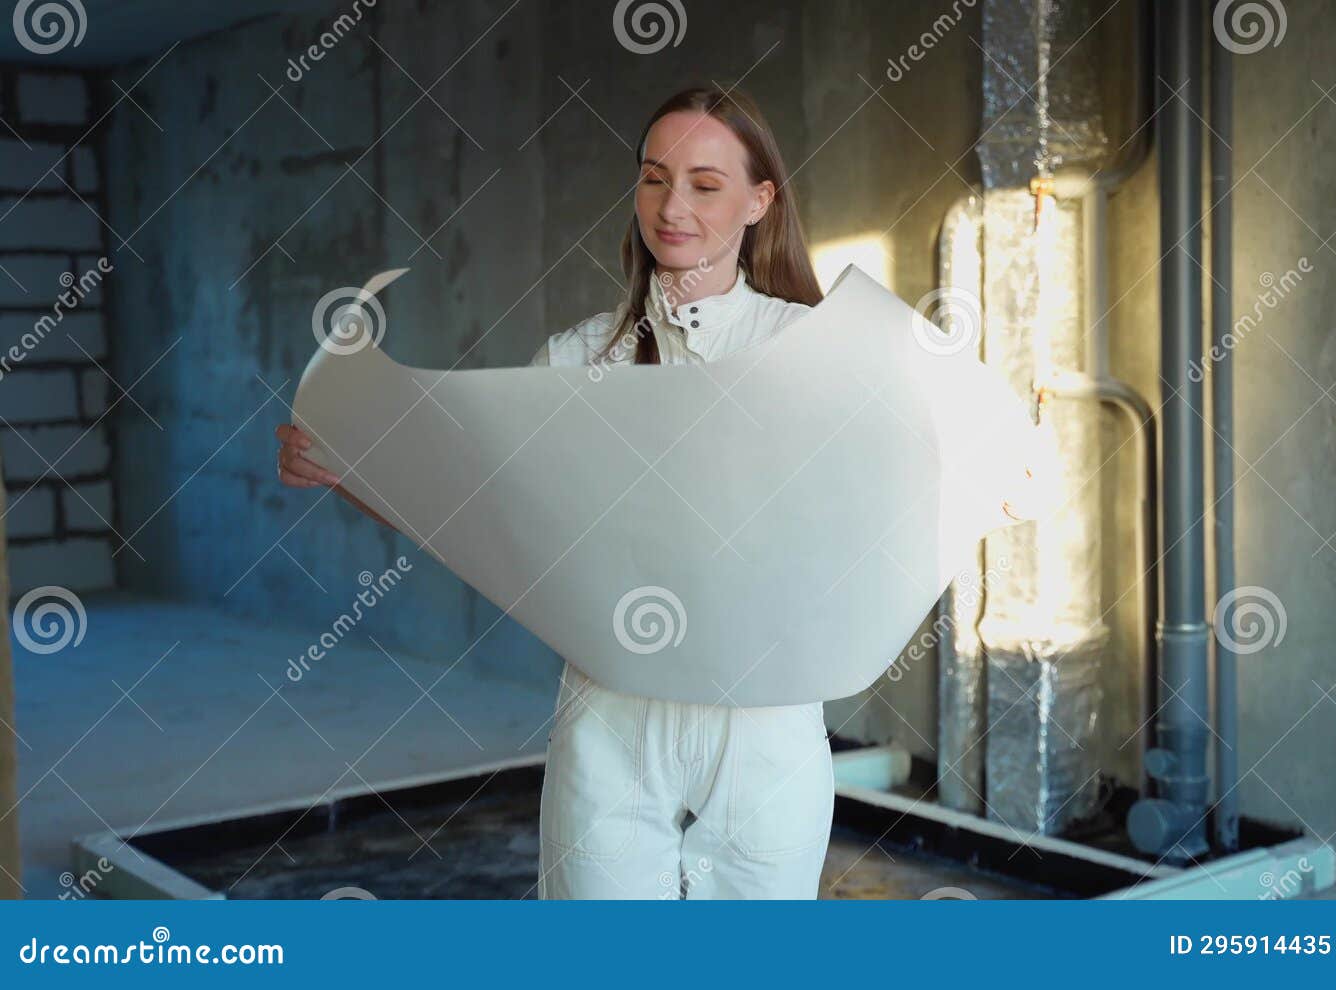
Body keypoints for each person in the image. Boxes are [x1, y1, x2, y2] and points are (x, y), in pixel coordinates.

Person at [274, 83, 1041, 899]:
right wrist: (347, 470)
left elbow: (938, 467)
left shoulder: (818, 351)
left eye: (706, 185)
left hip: (766, 724)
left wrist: (1004, 480)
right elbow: (478, 514)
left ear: (759, 200)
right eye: (654, 177)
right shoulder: (575, 363)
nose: (674, 205)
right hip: (609, 719)